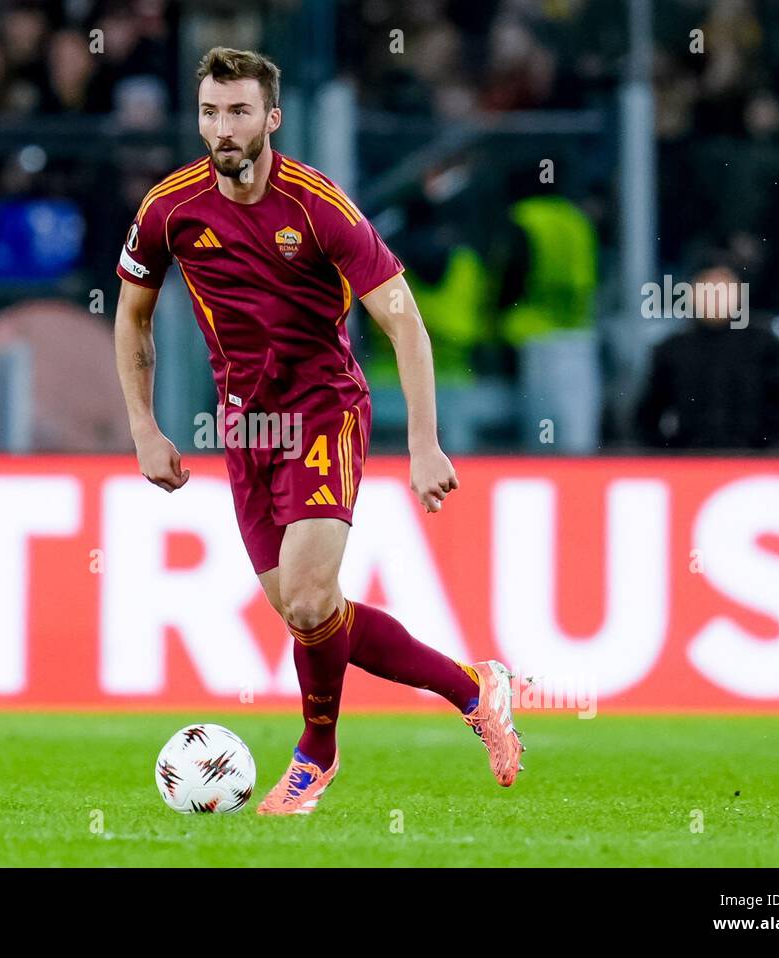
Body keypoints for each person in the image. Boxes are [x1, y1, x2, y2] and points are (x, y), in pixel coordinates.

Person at [112, 47, 525, 816]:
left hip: (322, 413)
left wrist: (425, 441)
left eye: (238, 112)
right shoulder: (170, 208)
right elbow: (132, 316)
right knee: (315, 613)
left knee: (306, 603)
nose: (222, 128)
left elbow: (403, 320)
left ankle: (315, 755)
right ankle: (475, 688)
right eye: (210, 112)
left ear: (271, 118)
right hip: (245, 429)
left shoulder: (318, 207)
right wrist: (144, 426)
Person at [635, 261, 779, 449]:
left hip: (755, 464)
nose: (714, 297)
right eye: (706, 289)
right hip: (692, 463)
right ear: (692, 293)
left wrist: (772, 455)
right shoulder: (673, 349)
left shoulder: (765, 346)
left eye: (723, 288)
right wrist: (670, 456)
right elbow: (646, 416)